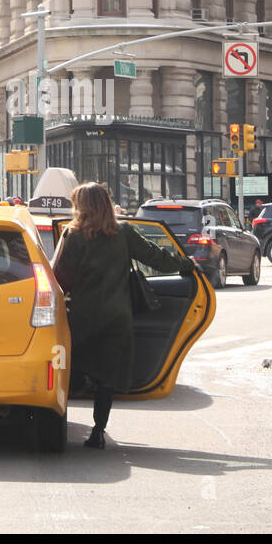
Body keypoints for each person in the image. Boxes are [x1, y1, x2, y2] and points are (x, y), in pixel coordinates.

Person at [51, 182, 197, 449]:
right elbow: (157, 258)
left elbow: (59, 277)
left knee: (71, 370)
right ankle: (98, 431)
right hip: (117, 319)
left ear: (81, 207)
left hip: (81, 319)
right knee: (107, 378)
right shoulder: (123, 233)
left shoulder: (73, 236)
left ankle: (61, 423)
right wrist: (187, 265)